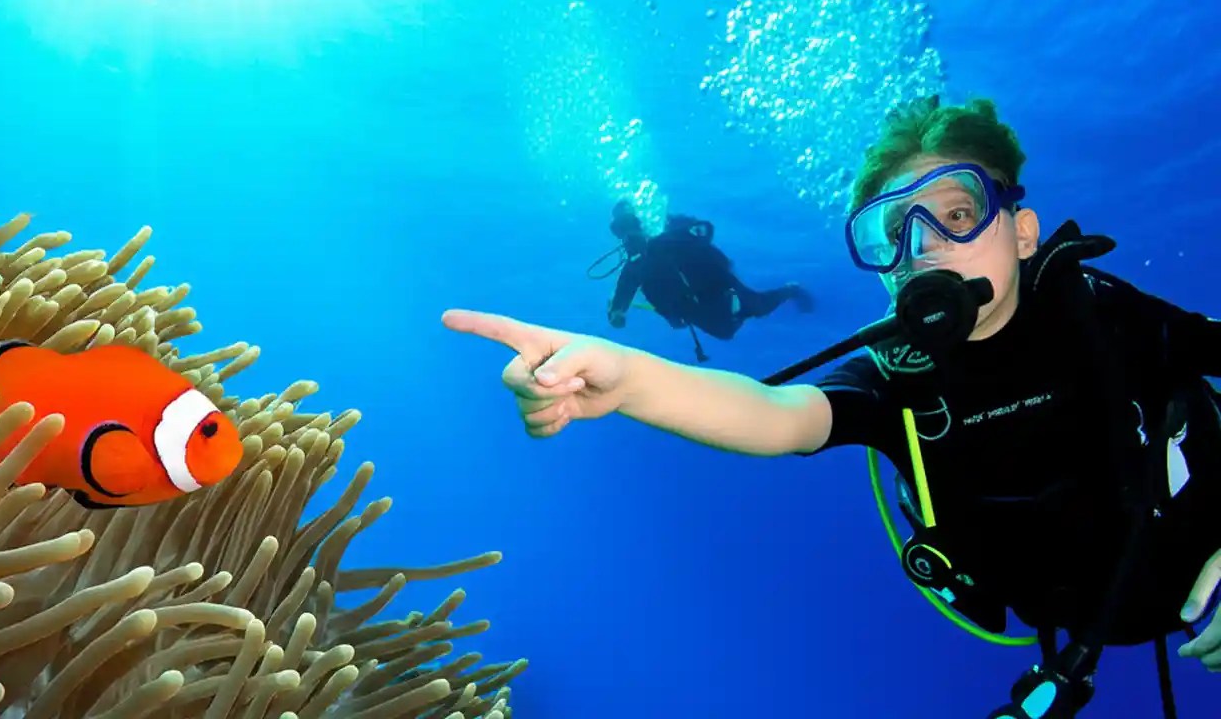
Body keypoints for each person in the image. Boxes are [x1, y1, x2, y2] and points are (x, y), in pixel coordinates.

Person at [442, 95, 1221, 717]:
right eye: (895, 232)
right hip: (1069, 623)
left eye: (956, 214)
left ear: (1022, 232)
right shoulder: (899, 376)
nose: (924, 245)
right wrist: (629, 380)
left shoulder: (1103, 317)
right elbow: (778, 416)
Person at [600, 201, 813, 353]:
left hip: (720, 288)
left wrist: (673, 235)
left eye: (631, 225)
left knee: (758, 307)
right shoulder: (633, 269)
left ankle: (791, 290)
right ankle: (743, 310)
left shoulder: (671, 238)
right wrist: (617, 314)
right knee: (726, 332)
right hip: (694, 311)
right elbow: (619, 304)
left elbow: (703, 232)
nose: (627, 234)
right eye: (620, 230)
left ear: (641, 223)